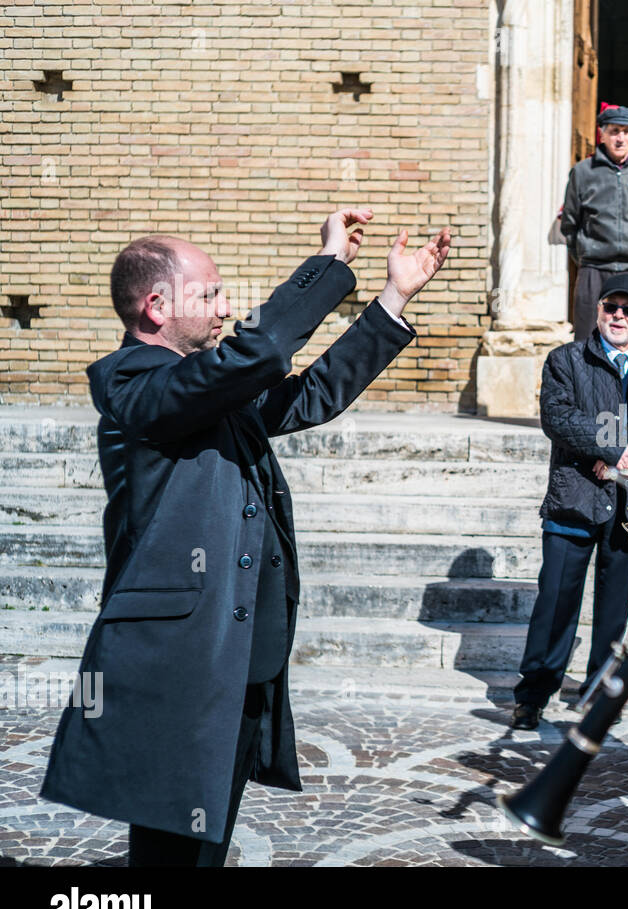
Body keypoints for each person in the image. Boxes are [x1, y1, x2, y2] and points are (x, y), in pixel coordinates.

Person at [41, 209, 452, 866]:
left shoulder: (205, 386)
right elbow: (257, 352)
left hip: (231, 657)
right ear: (155, 306)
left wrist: (394, 297)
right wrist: (329, 265)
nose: (226, 307)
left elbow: (310, 394)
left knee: (205, 845)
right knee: (170, 854)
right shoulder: (135, 385)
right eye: (210, 295)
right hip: (174, 660)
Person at [511, 273, 628, 729]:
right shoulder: (565, 360)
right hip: (575, 500)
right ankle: (533, 695)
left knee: (614, 611)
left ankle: (594, 694)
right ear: (598, 311)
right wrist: (611, 448)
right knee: (556, 605)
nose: (619, 317)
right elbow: (558, 417)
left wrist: (624, 463)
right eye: (611, 308)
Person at [560, 104, 628, 342]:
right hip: (594, 268)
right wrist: (585, 254)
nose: (620, 138)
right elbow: (569, 223)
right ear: (602, 132)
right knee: (587, 338)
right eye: (614, 131)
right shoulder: (583, 172)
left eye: (626, 131)